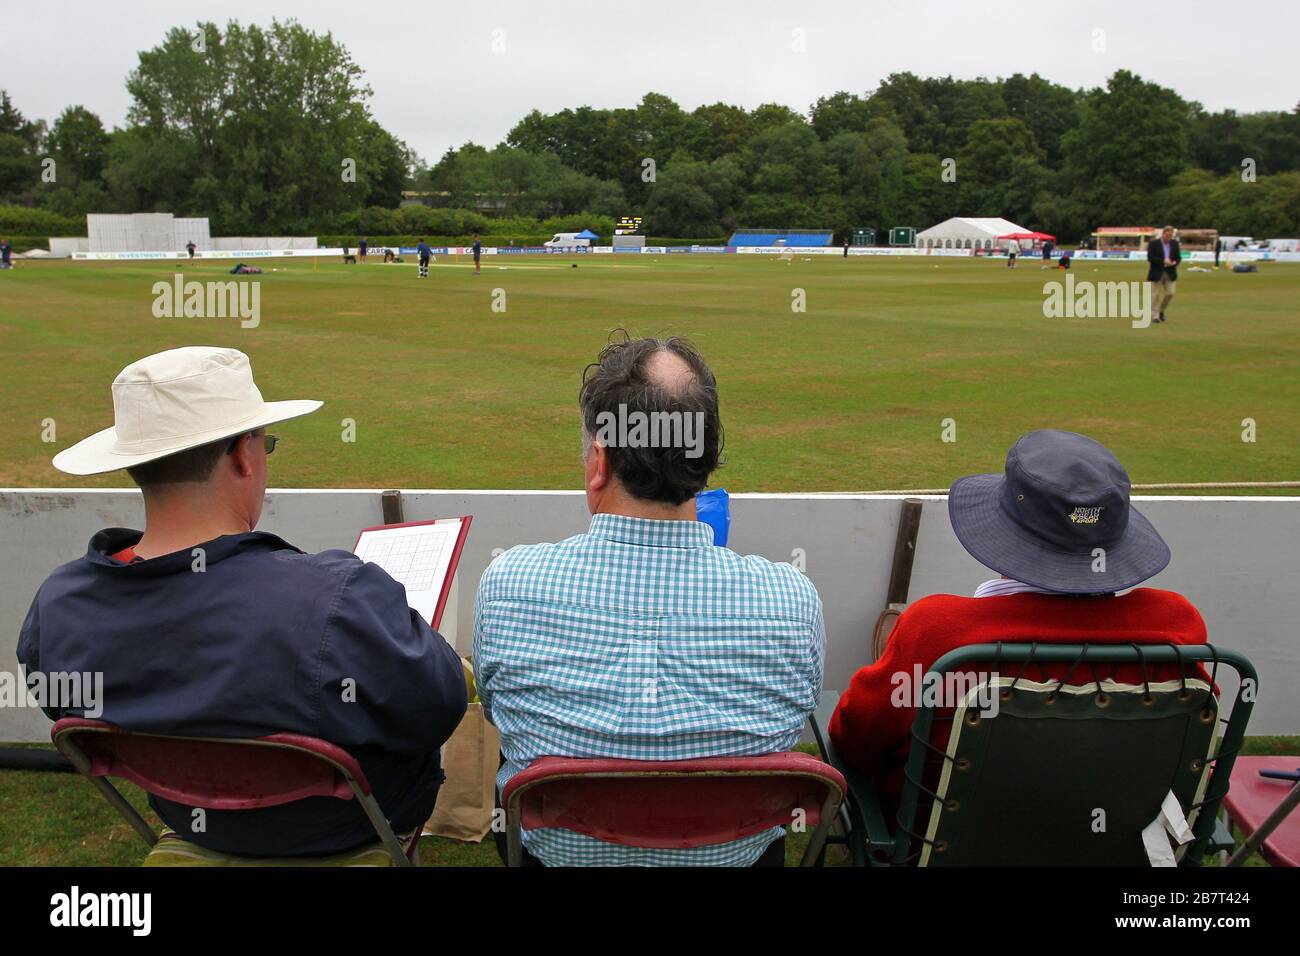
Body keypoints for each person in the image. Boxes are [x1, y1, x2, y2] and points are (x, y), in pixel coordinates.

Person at [18, 346, 467, 858]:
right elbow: (440, 704)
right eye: (264, 444)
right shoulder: (336, 600)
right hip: (349, 831)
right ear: (240, 454)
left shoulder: (59, 606)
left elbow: (73, 710)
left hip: (187, 820)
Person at [474, 334, 825, 867]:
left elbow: (501, 713)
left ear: (599, 463)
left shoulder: (508, 582)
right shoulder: (791, 599)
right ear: (704, 463)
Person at [829, 430, 1205, 812]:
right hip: (1115, 842)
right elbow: (1192, 738)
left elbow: (854, 741)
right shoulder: (1176, 627)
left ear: (1005, 530)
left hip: (944, 844)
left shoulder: (939, 631)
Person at [1147, 225, 1180, 323]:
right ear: (1163, 234)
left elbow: (1178, 257)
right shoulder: (1154, 243)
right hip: (1157, 272)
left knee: (1170, 293)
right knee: (1155, 295)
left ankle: (1161, 310)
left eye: (1171, 235)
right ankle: (1155, 316)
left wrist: (1175, 262)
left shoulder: (1174, 244)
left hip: (1170, 272)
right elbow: (1150, 258)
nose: (1169, 237)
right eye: (1167, 235)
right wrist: (1163, 261)